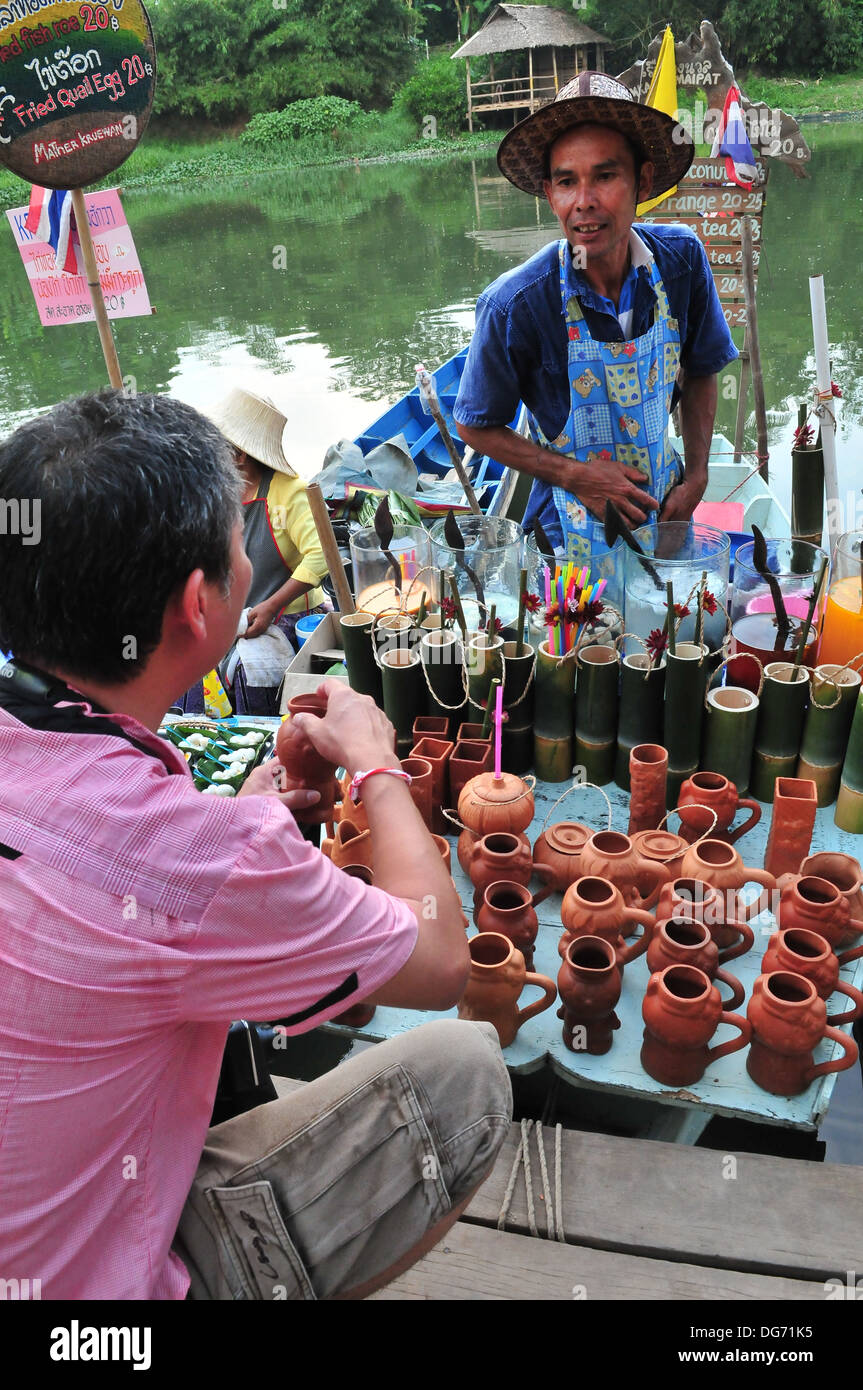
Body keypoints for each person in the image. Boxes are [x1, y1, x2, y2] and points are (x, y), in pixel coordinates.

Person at [0, 390, 511, 1301]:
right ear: (198, 606)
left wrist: (246, 815)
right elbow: (438, 962)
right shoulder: (186, 861)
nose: (250, 555)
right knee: (464, 1074)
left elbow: (124, 863)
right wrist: (377, 762)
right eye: (237, 543)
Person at [454, 72, 739, 562]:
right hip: (565, 529)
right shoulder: (516, 305)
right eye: (567, 181)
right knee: (581, 635)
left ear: (642, 181)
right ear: (549, 193)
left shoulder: (681, 262)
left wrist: (695, 478)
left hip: (665, 507)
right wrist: (575, 475)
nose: (584, 201)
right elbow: (475, 426)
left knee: (671, 632)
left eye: (605, 176)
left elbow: (702, 371)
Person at [183, 384, 330, 716]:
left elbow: (322, 554)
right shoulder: (216, 491)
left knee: (249, 671)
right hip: (235, 613)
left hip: (288, 615)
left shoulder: (289, 493)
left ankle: (262, 739)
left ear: (238, 455)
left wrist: (271, 605)